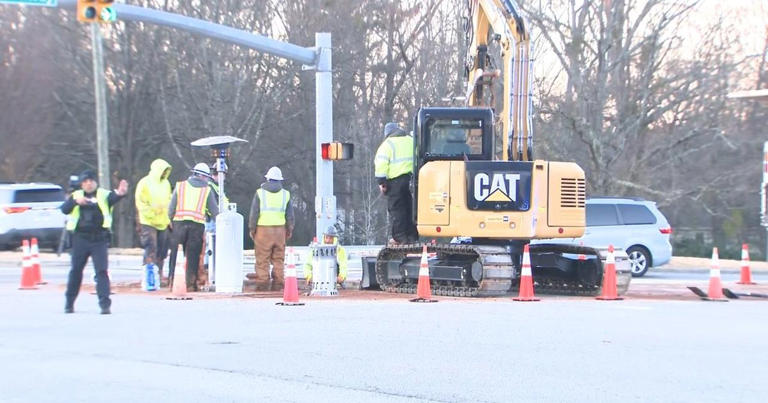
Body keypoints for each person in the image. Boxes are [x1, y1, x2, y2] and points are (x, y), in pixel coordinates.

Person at [60, 170, 128, 314]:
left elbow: (114, 197)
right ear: (81, 184)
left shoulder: (103, 194)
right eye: (85, 182)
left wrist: (121, 193)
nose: (88, 184)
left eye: (91, 181)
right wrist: (74, 202)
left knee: (102, 272)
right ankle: (69, 303)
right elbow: (64, 210)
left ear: (95, 182)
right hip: (80, 238)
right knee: (76, 271)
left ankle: (105, 305)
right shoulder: (76, 196)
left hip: (99, 239)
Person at [167, 163, 219, 292]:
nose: (207, 180)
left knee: (176, 256)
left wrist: (171, 221)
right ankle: (190, 284)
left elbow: (171, 208)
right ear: (202, 176)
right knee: (192, 257)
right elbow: (214, 212)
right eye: (206, 177)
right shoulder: (206, 190)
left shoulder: (180, 186)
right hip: (197, 226)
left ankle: (173, 282)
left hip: (179, 224)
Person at [247, 166, 295, 291]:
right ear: (280, 180)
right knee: (279, 259)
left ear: (268, 178)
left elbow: (254, 214)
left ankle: (262, 284)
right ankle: (278, 284)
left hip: (263, 231)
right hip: (280, 231)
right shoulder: (286, 194)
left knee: (262, 259)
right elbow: (290, 216)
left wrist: (252, 229)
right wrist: (289, 229)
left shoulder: (260, 193)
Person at [374, 122, 419, 244]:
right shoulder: (411, 140)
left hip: (395, 182)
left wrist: (382, 182)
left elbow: (381, 165)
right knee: (410, 207)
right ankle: (412, 235)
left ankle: (400, 237)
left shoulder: (387, 145)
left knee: (397, 209)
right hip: (412, 180)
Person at [134, 159, 172, 285]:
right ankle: (148, 275)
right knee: (151, 247)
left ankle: (158, 275)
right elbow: (140, 202)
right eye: (163, 170)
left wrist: (169, 217)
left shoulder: (166, 183)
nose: (164, 173)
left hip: (163, 221)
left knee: (162, 249)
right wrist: (152, 212)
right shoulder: (144, 183)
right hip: (148, 221)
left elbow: (169, 200)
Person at [303, 225, 347, 291]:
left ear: (335, 238)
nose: (328, 240)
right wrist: (309, 276)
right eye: (327, 237)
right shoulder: (316, 249)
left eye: (331, 238)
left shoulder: (340, 250)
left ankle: (338, 284)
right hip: (319, 277)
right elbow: (307, 265)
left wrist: (342, 276)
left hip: (334, 277)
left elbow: (343, 266)